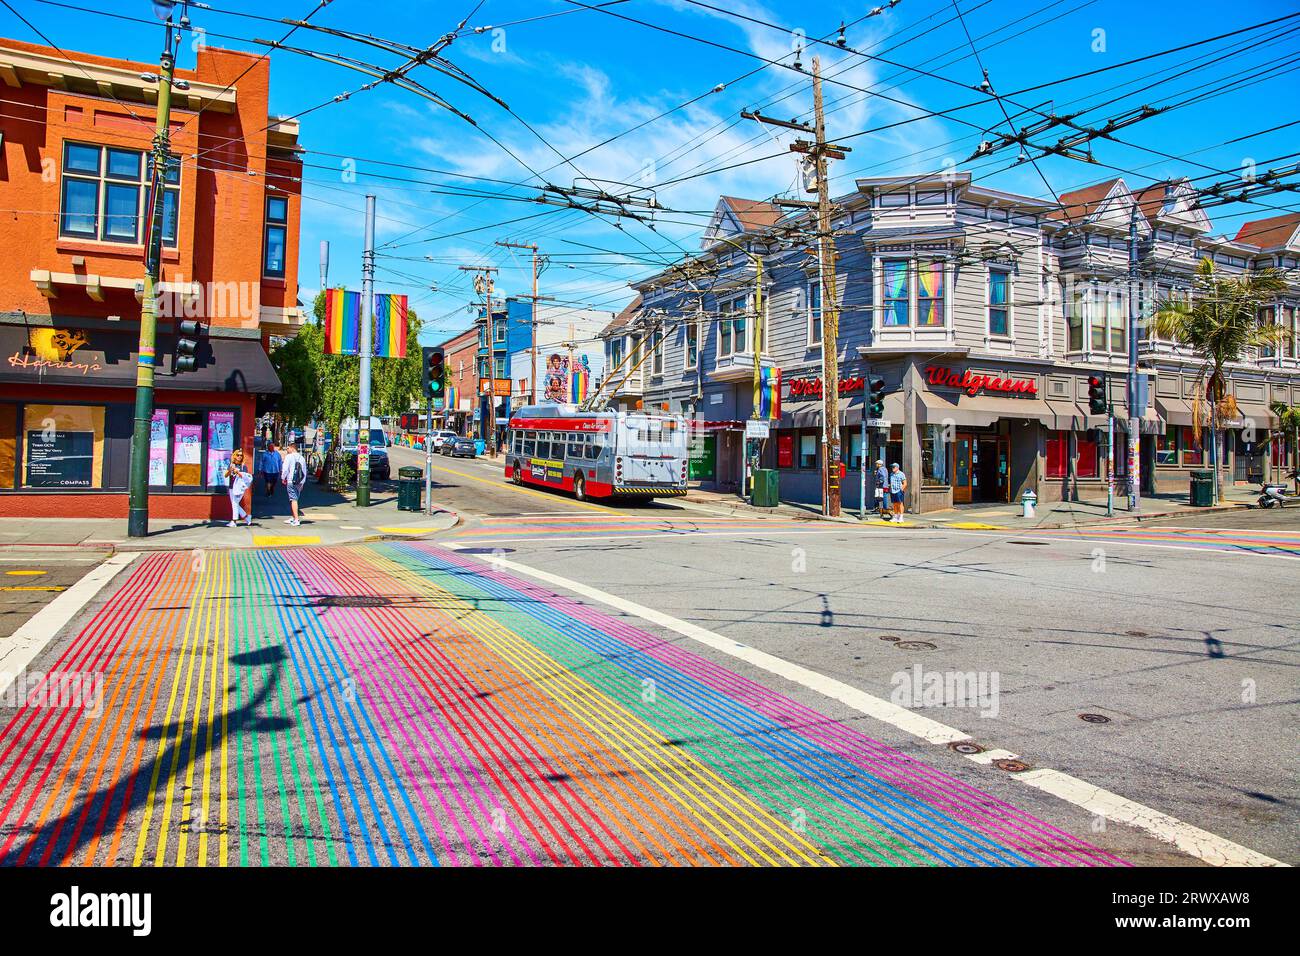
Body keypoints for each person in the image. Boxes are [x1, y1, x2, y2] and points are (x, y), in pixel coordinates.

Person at [280, 442, 308, 526]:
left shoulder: (289, 457)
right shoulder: (302, 458)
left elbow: (285, 469)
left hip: (291, 480)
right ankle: (293, 517)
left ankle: (296, 519)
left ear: (292, 448)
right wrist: (303, 482)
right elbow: (304, 471)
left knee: (293, 499)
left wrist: (283, 478)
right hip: (299, 481)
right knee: (294, 498)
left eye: (288, 448)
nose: (287, 450)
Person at [224, 450, 254, 528]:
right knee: (235, 504)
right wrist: (230, 470)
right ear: (234, 456)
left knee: (234, 504)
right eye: (238, 455)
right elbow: (226, 475)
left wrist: (237, 472)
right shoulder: (231, 465)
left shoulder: (243, 466)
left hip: (239, 488)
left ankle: (234, 521)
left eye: (241, 455)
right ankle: (247, 517)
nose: (239, 457)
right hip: (231, 487)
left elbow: (245, 477)